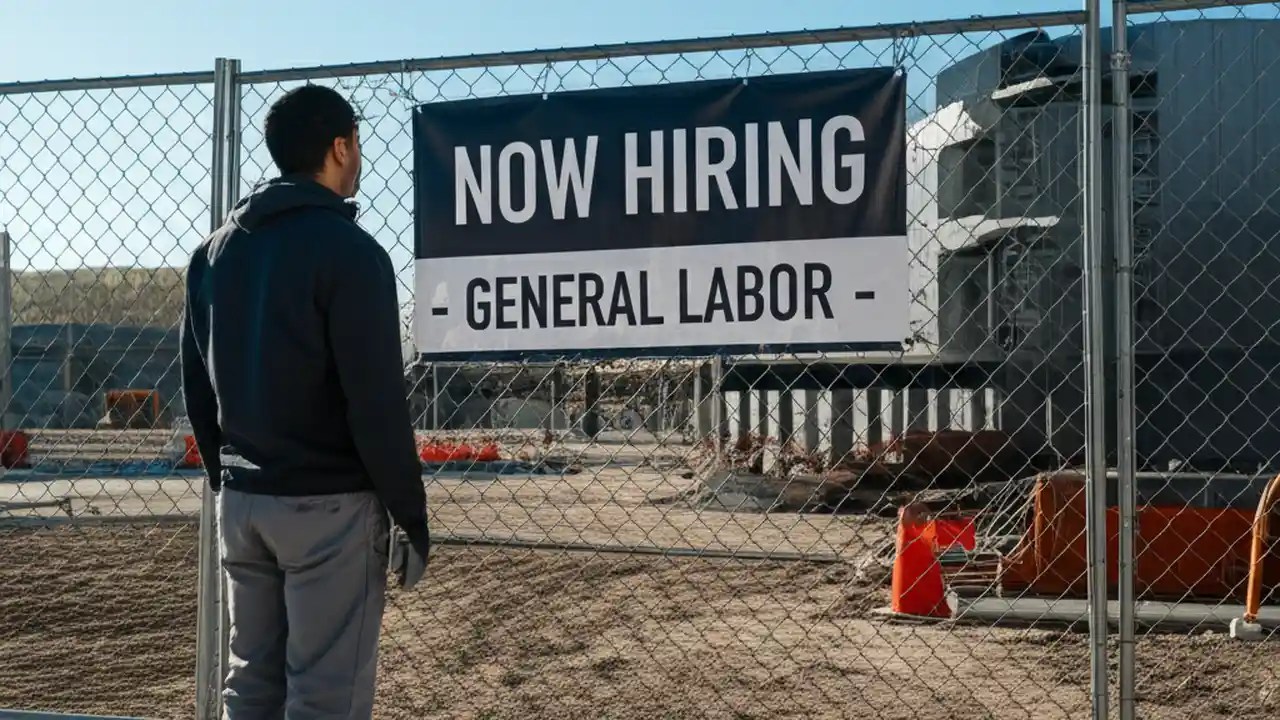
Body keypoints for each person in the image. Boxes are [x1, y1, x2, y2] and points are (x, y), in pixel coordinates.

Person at [180, 84, 430, 719]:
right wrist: (410, 512)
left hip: (242, 505)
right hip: (328, 507)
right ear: (340, 147)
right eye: (359, 144)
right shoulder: (353, 253)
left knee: (251, 682)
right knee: (324, 696)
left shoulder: (215, 252)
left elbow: (196, 382)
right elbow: (374, 401)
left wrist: (223, 475)